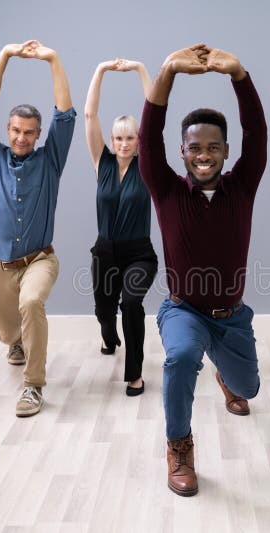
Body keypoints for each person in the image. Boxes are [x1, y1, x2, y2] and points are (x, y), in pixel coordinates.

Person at [138, 43, 267, 496]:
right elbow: (147, 136)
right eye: (195, 147)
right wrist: (168, 69)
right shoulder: (167, 190)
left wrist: (239, 74)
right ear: (183, 151)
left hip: (231, 317)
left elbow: (257, 132)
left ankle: (226, 374)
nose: (204, 154)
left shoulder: (243, 186)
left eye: (214, 147)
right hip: (183, 311)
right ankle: (179, 447)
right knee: (180, 356)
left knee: (247, 388)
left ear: (226, 151)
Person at [0, 40, 76, 417]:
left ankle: (33, 387)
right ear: (7, 130)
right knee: (6, 331)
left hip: (40, 260)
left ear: (37, 135)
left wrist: (53, 58)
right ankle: (14, 342)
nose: (21, 137)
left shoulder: (50, 162)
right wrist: (4, 53)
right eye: (16, 130)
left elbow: (64, 115)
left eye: (29, 132)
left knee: (32, 302)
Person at [84, 59, 158, 397]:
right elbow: (89, 116)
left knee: (131, 304)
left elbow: (156, 116)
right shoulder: (102, 162)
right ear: (111, 140)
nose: (123, 144)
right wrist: (100, 72)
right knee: (103, 310)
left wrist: (141, 70)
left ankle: (135, 375)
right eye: (118, 138)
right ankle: (108, 335)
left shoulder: (149, 167)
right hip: (105, 250)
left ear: (139, 140)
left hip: (139, 253)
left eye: (130, 138)